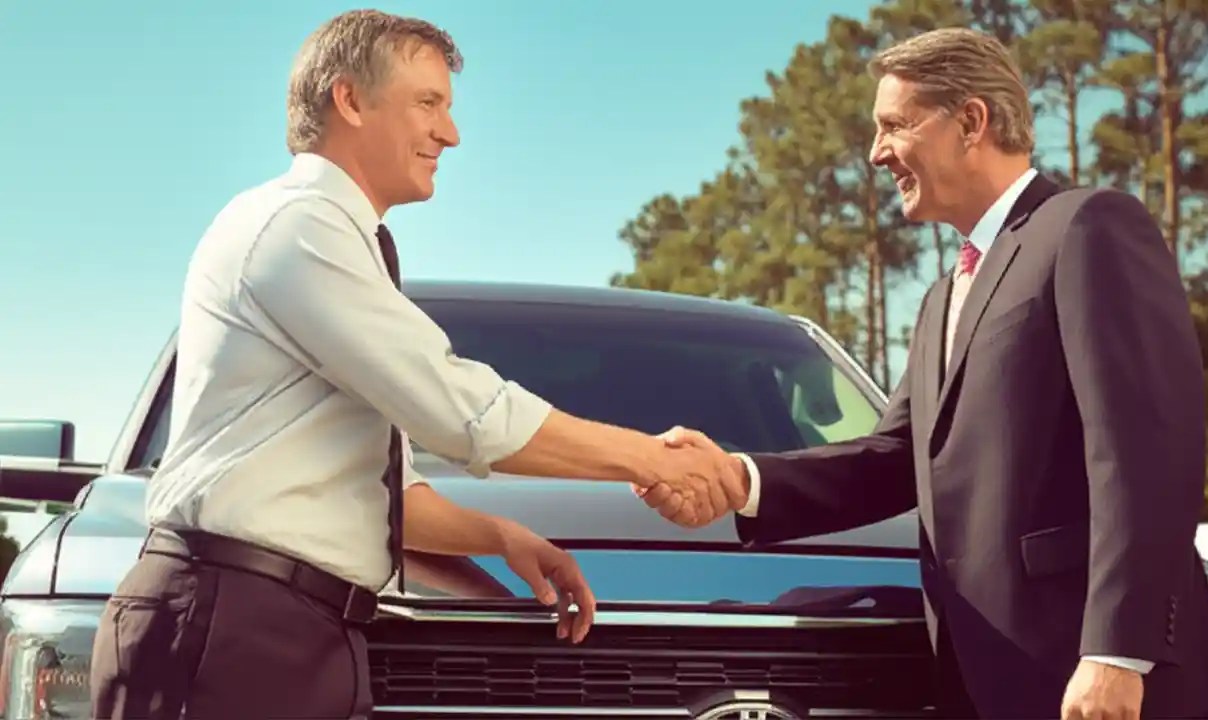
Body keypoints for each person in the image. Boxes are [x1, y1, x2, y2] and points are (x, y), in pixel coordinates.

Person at [87, 10, 742, 720]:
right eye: (428, 104)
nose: (450, 134)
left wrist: (499, 537)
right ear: (350, 99)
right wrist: (651, 459)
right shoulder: (296, 226)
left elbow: (381, 489)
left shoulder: (341, 244)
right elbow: (463, 410)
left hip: (296, 634)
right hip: (230, 632)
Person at [640, 27, 1208, 720]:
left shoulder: (1086, 228)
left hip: (1100, 684)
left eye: (894, 125)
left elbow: (1145, 453)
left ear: (971, 121)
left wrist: (1116, 652)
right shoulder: (941, 298)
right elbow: (895, 459)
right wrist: (739, 481)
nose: (876, 154)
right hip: (985, 684)